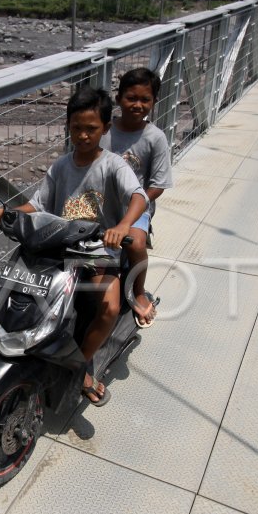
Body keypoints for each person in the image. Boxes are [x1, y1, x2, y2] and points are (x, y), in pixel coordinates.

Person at [0, 84, 147, 406]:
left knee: (109, 307)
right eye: (77, 128)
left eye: (91, 129)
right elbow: (37, 204)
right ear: (68, 127)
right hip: (59, 247)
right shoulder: (61, 166)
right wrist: (10, 213)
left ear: (105, 128)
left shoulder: (113, 165)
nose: (83, 135)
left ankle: (81, 365)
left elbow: (138, 196)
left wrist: (121, 226)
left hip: (97, 250)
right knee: (25, 293)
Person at [101, 67, 172, 328]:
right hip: (101, 202)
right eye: (131, 98)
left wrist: (134, 204)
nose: (137, 105)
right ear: (118, 98)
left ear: (154, 101)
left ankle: (138, 291)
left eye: (145, 99)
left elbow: (158, 185)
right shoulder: (105, 131)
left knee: (135, 243)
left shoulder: (155, 138)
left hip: (137, 206)